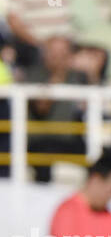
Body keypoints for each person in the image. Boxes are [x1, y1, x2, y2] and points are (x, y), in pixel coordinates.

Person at [25, 35, 88, 183]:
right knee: (44, 157)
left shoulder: (77, 76)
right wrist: (57, 78)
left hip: (68, 139)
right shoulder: (34, 73)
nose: (57, 57)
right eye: (53, 52)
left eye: (62, 53)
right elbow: (41, 108)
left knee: (99, 157)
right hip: (40, 139)